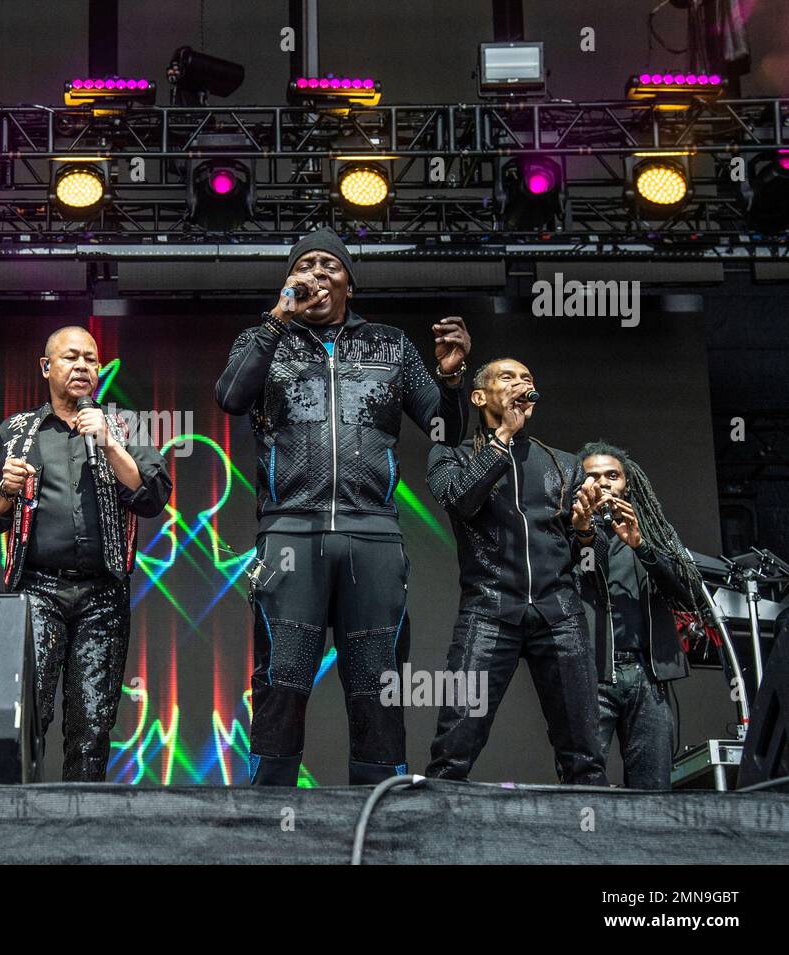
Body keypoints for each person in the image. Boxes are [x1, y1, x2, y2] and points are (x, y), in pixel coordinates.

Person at [215, 226, 472, 785]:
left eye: (329, 265)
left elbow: (445, 429)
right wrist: (276, 318)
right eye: (304, 265)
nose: (316, 274)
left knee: (377, 686)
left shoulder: (390, 345)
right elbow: (231, 396)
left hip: (373, 535)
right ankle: (268, 819)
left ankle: (380, 821)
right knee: (281, 682)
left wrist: (451, 381)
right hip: (290, 533)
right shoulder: (264, 337)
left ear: (349, 283)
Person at [0, 326, 172, 782]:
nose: (83, 366)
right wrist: (6, 489)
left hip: (104, 595)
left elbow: (154, 495)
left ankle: (83, 831)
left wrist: (111, 444)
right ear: (46, 367)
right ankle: (22, 822)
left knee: (92, 728)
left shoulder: (119, 426)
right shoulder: (16, 432)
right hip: (38, 590)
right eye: (71, 358)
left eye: (91, 359)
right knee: (29, 719)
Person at [425, 358, 607, 785]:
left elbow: (592, 556)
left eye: (528, 377)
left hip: (559, 614)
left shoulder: (563, 463)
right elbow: (460, 501)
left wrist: (583, 532)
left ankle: (593, 841)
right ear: (479, 396)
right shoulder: (449, 455)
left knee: (584, 751)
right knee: (455, 745)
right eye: (508, 378)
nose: (522, 383)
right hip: (488, 611)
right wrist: (502, 437)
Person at [576, 441, 703, 789]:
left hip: (648, 675)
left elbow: (688, 595)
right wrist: (584, 534)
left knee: (653, 788)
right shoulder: (567, 532)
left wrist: (642, 547)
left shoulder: (654, 533)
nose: (603, 483)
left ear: (627, 484)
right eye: (593, 476)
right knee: (582, 788)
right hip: (591, 675)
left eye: (612, 475)